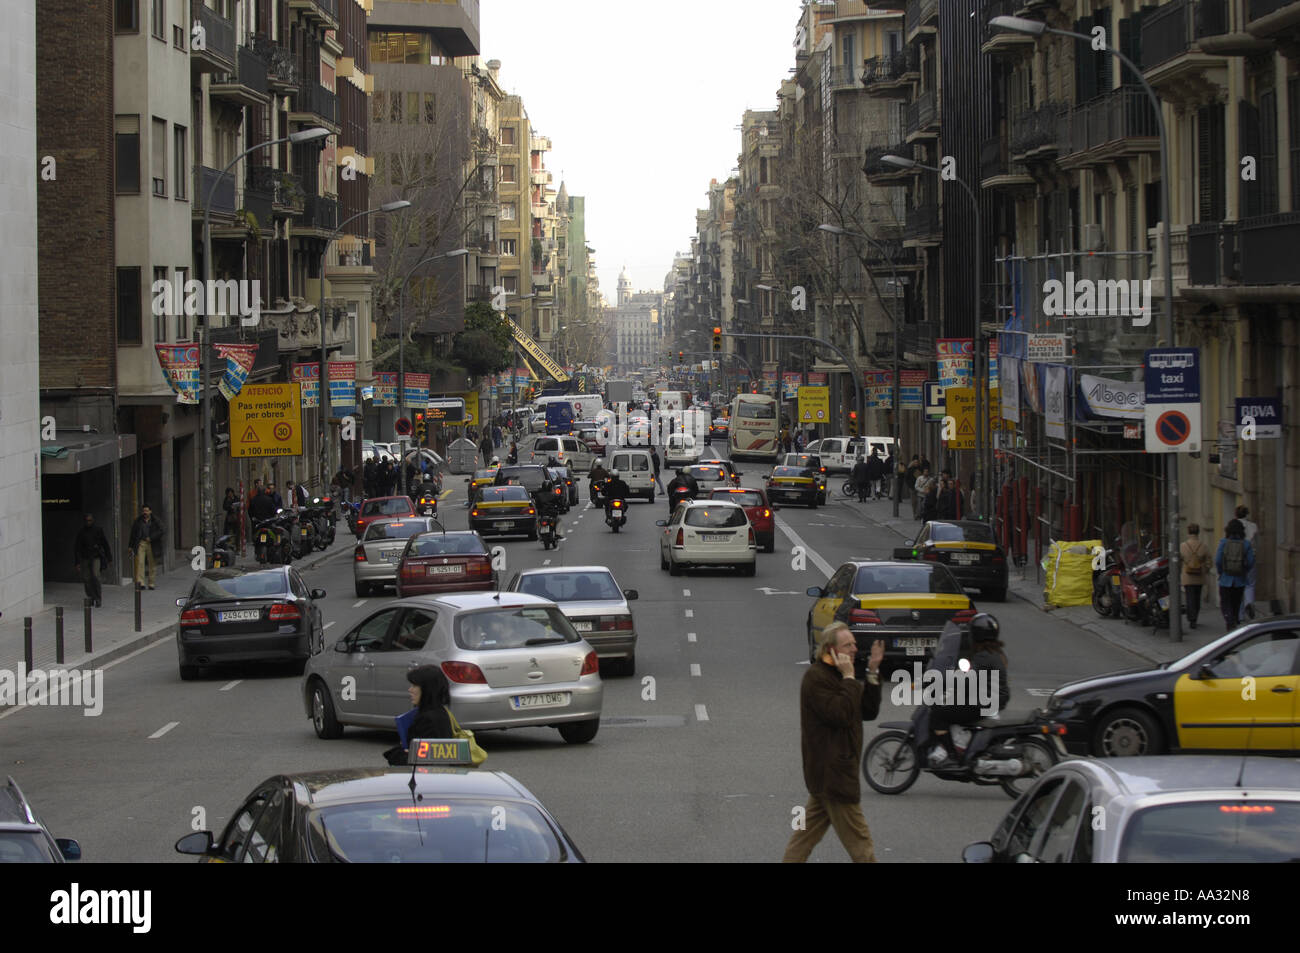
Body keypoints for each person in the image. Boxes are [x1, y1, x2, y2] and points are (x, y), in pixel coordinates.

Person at [782, 622, 884, 864]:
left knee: (802, 840)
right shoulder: (817, 678)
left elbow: (867, 711)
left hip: (827, 777)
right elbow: (840, 714)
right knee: (862, 845)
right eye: (847, 645)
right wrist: (850, 678)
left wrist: (872, 672)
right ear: (830, 649)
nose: (854, 649)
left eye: (854, 644)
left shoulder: (838, 674)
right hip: (834, 776)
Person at [927, 613, 1010, 765]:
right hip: (990, 699)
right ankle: (960, 742)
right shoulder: (993, 653)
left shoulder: (983, 656)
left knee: (938, 713)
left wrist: (943, 682)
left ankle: (952, 755)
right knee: (953, 706)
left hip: (984, 701)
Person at [384, 665, 456, 765]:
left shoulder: (427, 719)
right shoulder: (440, 712)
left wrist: (399, 753)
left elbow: (422, 760)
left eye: (414, 686)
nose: (410, 690)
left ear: (427, 689)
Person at [1214, 519, 1255, 630]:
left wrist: (1220, 572)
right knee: (1236, 602)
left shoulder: (1223, 542)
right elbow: (1251, 561)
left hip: (1225, 579)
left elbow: (1217, 560)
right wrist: (1244, 570)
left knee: (1225, 602)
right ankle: (1235, 620)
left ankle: (1229, 620)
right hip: (1239, 580)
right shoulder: (1246, 544)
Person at [73, 513, 112, 608]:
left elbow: (105, 544)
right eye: (87, 520)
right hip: (85, 557)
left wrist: (109, 557)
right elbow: (77, 548)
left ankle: (98, 598)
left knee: (96, 576)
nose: (88, 522)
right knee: (86, 578)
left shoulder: (98, 530)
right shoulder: (81, 532)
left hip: (95, 557)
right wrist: (77, 562)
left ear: (93, 521)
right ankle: (91, 597)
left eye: (90, 520)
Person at [1180, 523, 1211, 630]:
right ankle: (1195, 617)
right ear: (1198, 532)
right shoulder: (1203, 545)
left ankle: (1191, 618)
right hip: (1199, 575)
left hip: (1187, 575)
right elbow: (1208, 560)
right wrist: (1205, 569)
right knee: (1197, 597)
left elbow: (1179, 559)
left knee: (1189, 597)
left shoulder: (1183, 546)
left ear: (1188, 532)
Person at [127, 504, 164, 590]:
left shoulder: (155, 521)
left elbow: (161, 530)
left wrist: (151, 537)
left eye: (147, 511)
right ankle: (141, 583)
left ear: (150, 511)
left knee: (152, 563)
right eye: (144, 511)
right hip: (141, 543)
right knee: (140, 563)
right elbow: (133, 533)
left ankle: (151, 583)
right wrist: (130, 546)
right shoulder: (138, 521)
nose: (145, 513)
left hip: (152, 544)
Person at [1235, 505, 1259, 621]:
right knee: (1250, 584)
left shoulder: (1234, 526)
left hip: (1237, 558)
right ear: (1247, 514)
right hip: (1251, 556)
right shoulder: (1253, 526)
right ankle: (1249, 603)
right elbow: (1256, 543)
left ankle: (1240, 615)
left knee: (1239, 585)